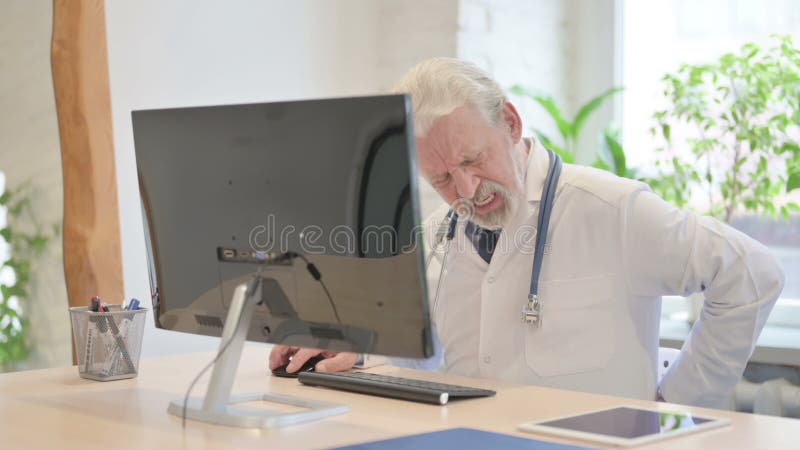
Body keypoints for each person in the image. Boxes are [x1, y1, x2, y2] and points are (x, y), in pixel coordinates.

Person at [269, 57, 785, 409]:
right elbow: (427, 351)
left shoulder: (611, 209)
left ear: (511, 124)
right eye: (441, 178)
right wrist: (358, 352)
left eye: (473, 159)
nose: (466, 190)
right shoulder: (437, 237)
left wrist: (678, 405)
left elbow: (753, 275)